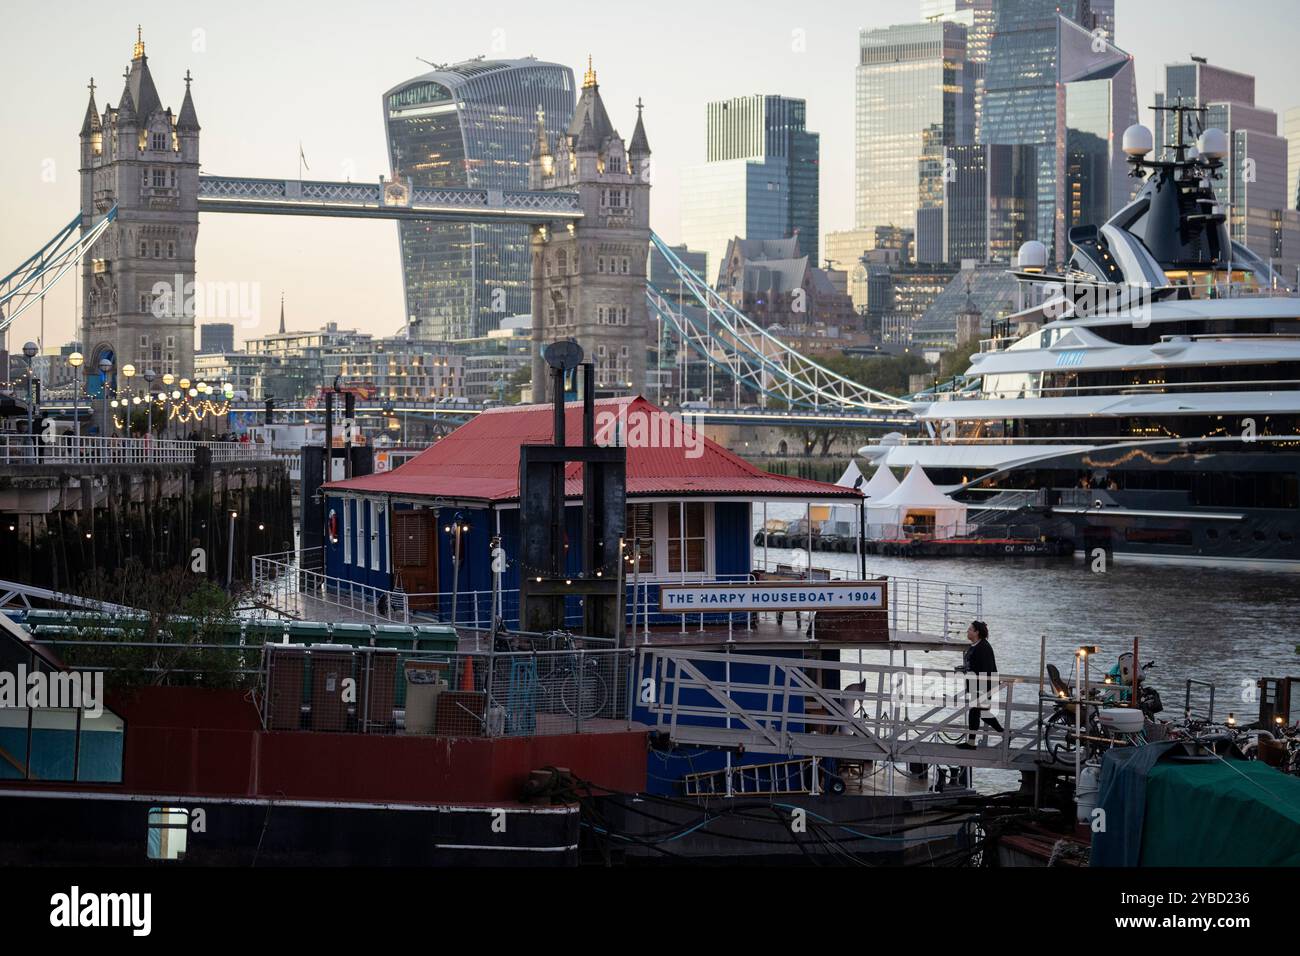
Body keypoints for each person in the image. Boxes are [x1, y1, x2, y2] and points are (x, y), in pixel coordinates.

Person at [956, 620, 1003, 749]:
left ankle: (971, 742)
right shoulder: (975, 646)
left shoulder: (984, 647)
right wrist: (964, 669)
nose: (968, 631)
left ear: (977, 632)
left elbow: (986, 668)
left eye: (970, 629)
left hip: (984, 685)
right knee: (982, 713)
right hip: (977, 685)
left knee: (976, 712)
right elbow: (973, 665)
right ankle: (1004, 734)